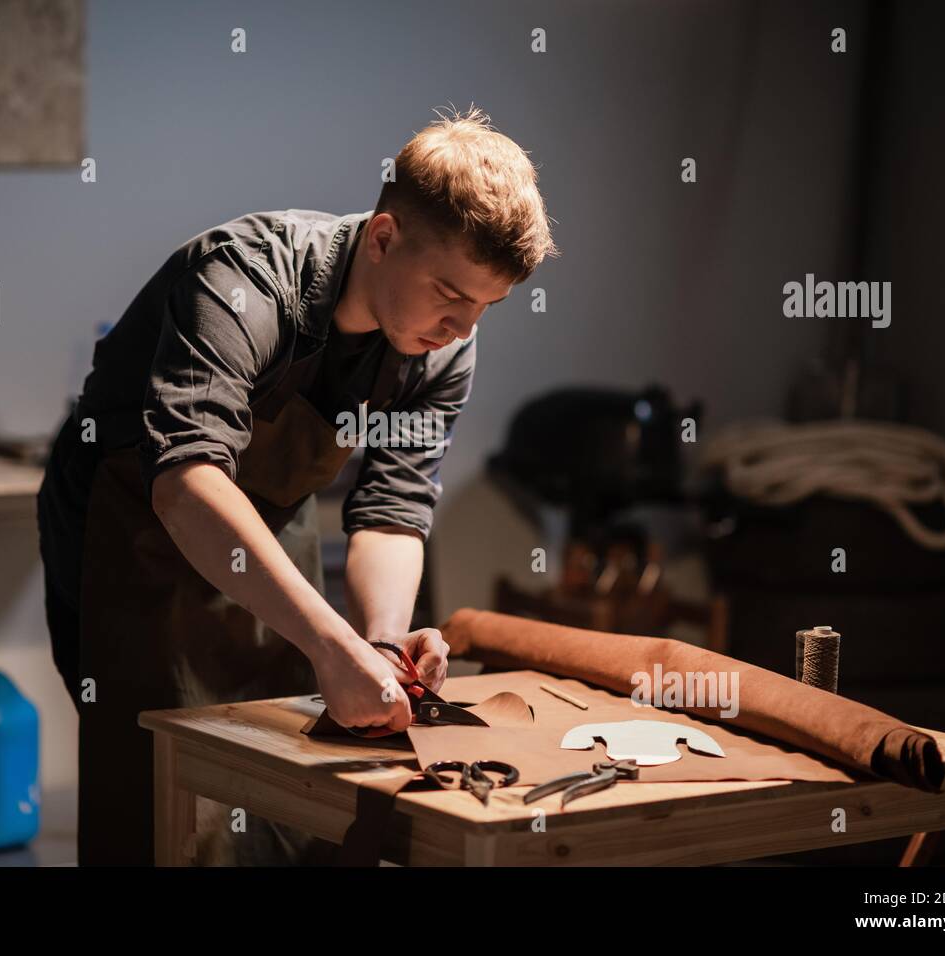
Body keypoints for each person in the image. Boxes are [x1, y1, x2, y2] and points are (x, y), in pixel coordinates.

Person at [36, 105, 557, 865]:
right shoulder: (241, 281)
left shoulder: (440, 348)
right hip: (134, 529)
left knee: (291, 785)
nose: (464, 329)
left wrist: (377, 645)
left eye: (487, 307)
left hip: (270, 521)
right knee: (167, 804)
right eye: (450, 294)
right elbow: (185, 482)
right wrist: (328, 637)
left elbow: (392, 507)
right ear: (383, 238)